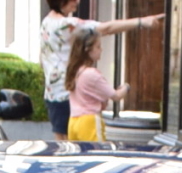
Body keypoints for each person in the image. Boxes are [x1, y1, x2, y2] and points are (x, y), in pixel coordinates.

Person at [39, 0, 156, 139]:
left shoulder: (46, 22)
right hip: (70, 94)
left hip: (53, 92)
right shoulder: (67, 25)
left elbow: (42, 58)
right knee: (83, 146)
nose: (77, 1)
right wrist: (141, 21)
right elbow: (106, 28)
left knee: (63, 143)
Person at [64, 27, 123, 142]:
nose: (101, 49)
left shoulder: (74, 71)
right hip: (89, 121)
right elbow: (115, 96)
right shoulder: (92, 74)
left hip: (73, 121)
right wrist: (126, 87)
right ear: (87, 49)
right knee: (98, 154)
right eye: (98, 46)